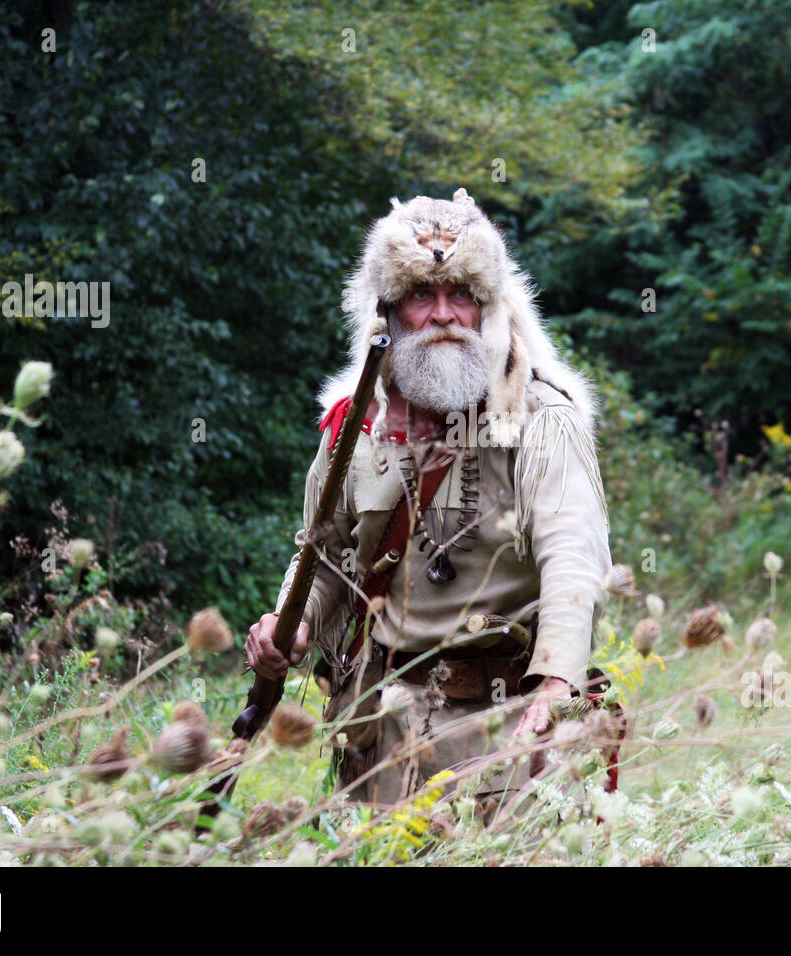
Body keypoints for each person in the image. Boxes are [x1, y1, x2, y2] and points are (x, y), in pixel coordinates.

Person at [245, 187, 613, 818]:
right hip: (378, 741)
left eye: (461, 295)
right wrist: (292, 623)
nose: (444, 314)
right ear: (388, 313)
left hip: (509, 737)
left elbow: (574, 560)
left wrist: (556, 684)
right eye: (422, 295)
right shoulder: (354, 428)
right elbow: (325, 556)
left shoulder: (541, 420)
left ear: (486, 309)